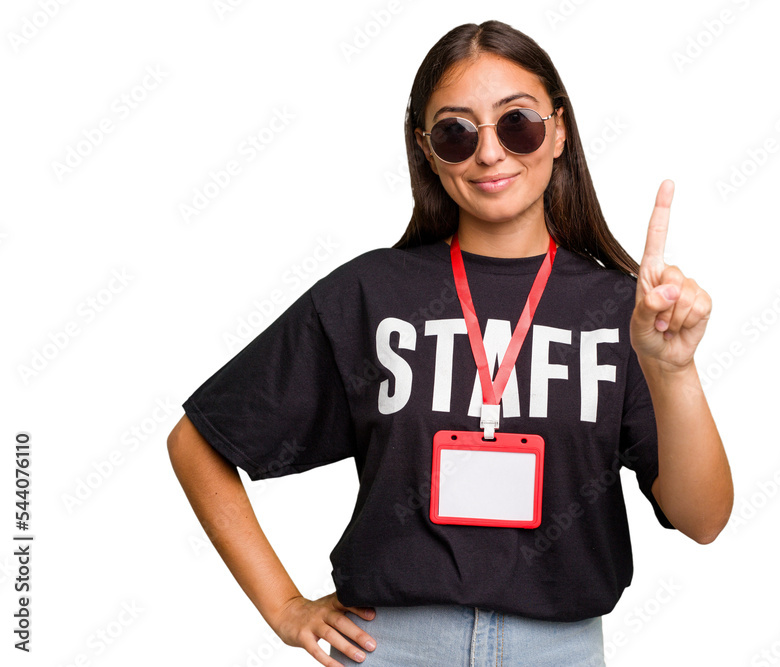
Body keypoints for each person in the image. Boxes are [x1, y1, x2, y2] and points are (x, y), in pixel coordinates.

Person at [167, 19, 732, 667]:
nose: (489, 152)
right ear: (427, 150)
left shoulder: (622, 311)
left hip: (559, 651)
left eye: (516, 122)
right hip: (394, 647)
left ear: (559, 130)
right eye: (457, 133)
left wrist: (675, 368)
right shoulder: (372, 294)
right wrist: (283, 605)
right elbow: (199, 441)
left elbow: (703, 518)